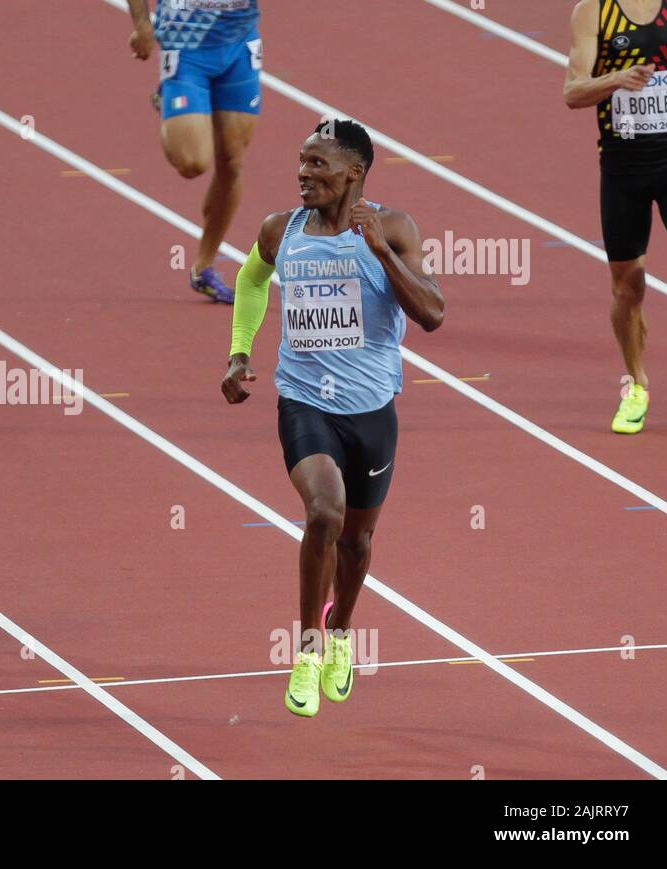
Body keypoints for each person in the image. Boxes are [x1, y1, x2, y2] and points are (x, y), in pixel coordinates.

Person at [221, 119, 444, 717]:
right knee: (324, 512)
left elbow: (433, 313)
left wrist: (379, 254)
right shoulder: (281, 230)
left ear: (355, 172)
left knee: (359, 541)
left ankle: (341, 629)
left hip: (371, 410)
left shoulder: (393, 228)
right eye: (301, 162)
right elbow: (249, 279)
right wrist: (241, 350)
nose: (303, 175)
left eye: (318, 165)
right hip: (304, 401)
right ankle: (308, 648)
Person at [565, 0, 667, 434]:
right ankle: (636, 386)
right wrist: (616, 79)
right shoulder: (593, 12)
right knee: (628, 287)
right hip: (623, 169)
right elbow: (572, 92)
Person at [126, 0, 263, 303]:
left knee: (232, 160)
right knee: (192, 163)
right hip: (185, 47)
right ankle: (168, 98)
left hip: (239, 43)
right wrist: (142, 25)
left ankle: (204, 266)